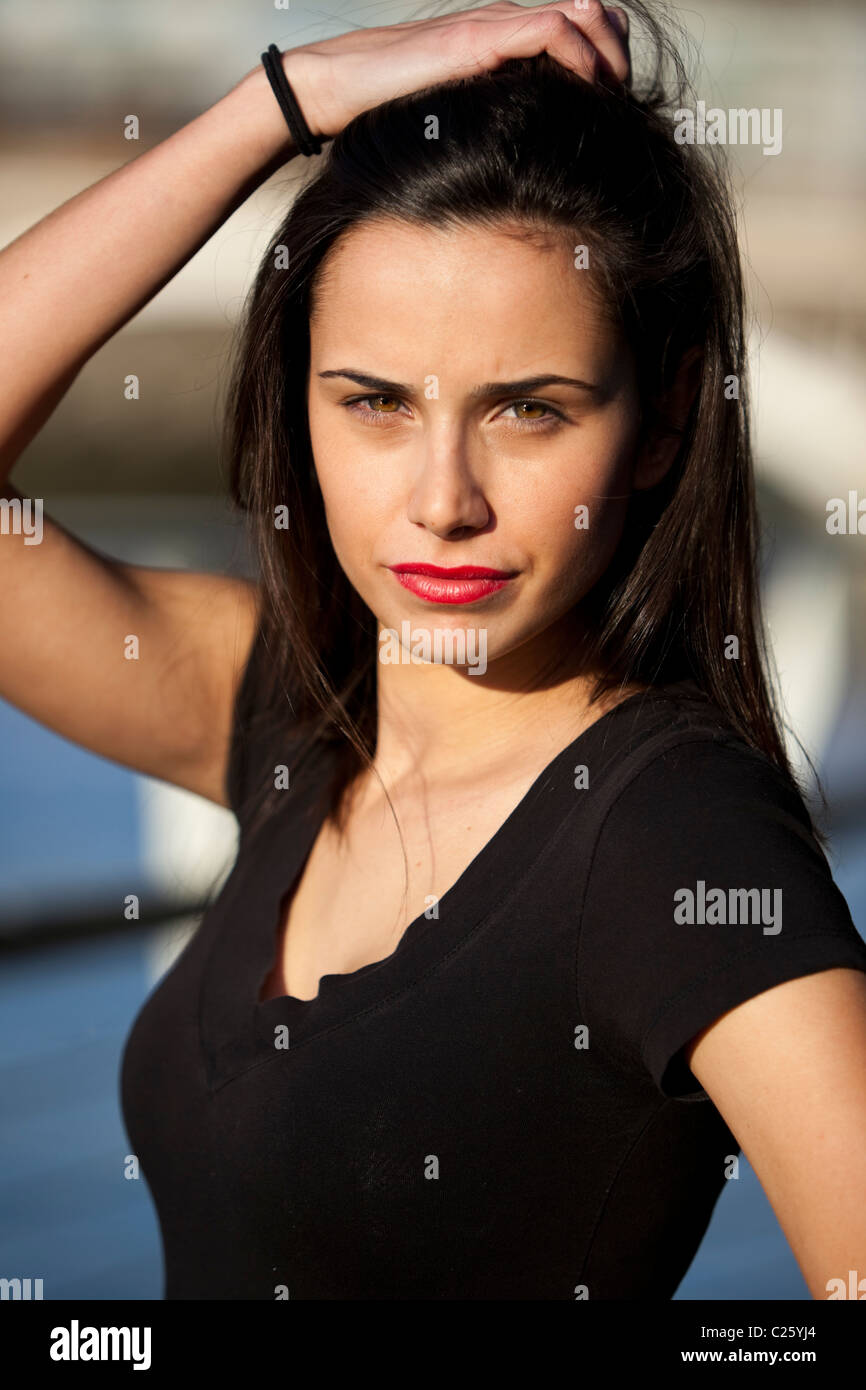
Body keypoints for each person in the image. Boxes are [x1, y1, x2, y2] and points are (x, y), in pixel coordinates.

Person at [2, 0, 865, 1301]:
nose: (443, 500)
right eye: (375, 402)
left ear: (662, 420)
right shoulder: (294, 710)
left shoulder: (677, 841)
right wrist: (277, 104)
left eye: (529, 411)